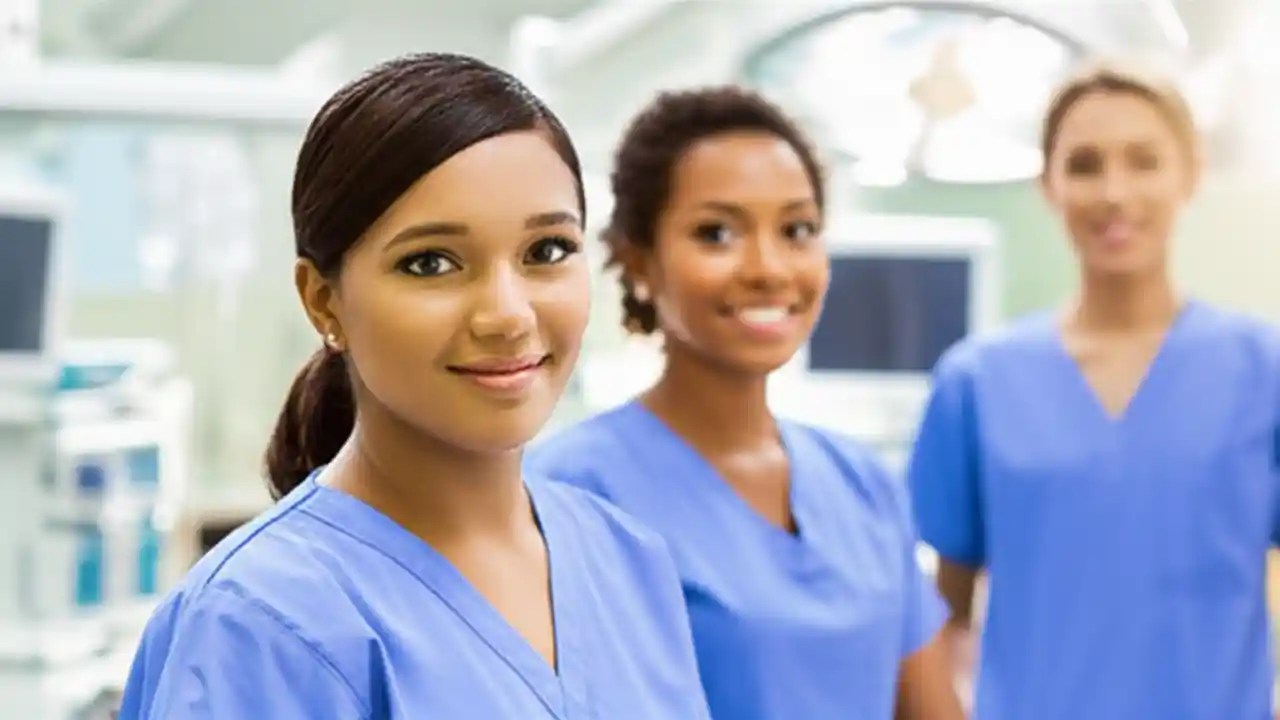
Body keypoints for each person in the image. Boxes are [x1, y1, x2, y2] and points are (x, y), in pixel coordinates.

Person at [117, 52, 712, 720]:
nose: (508, 316)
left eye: (546, 251)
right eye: (431, 263)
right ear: (323, 302)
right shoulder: (261, 623)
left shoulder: (628, 561)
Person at [525, 86, 965, 720]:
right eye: (717, 232)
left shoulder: (862, 484)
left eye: (797, 230)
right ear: (639, 261)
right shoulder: (569, 496)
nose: (768, 268)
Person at [908, 59, 1280, 720]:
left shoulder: (1263, 371)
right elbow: (944, 618)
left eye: (1144, 161)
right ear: (1047, 185)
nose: (1114, 192)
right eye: (1084, 165)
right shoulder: (978, 383)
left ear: (1190, 173)